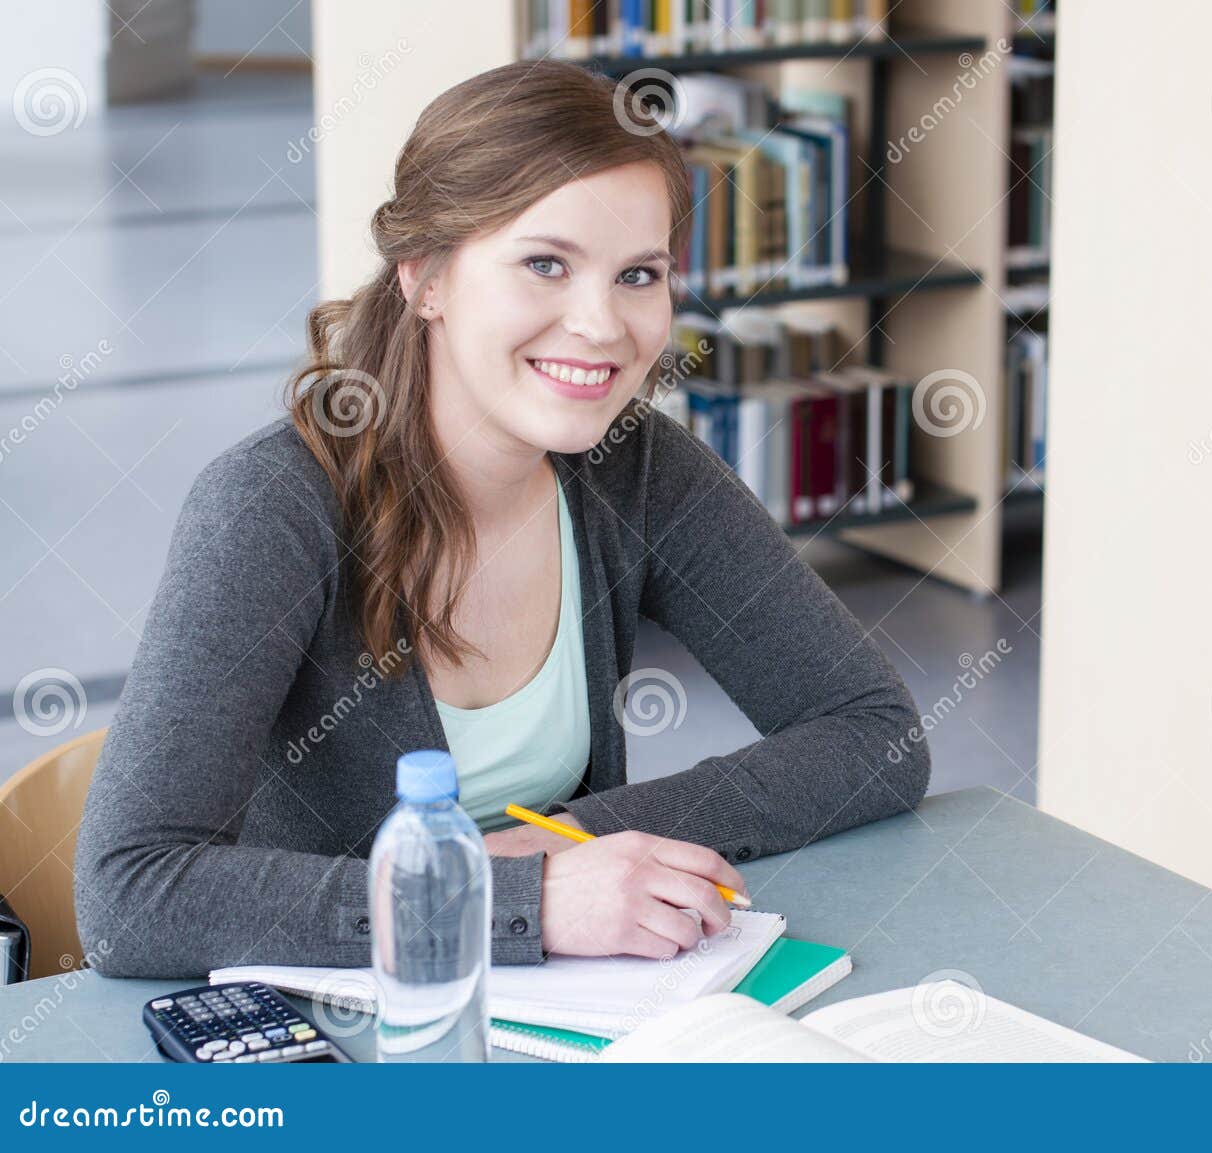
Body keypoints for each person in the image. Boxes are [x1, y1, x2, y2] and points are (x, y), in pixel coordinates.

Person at [74, 59, 930, 978]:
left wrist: (571, 841)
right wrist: (510, 896)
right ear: (425, 278)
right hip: (342, 1028)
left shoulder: (636, 467)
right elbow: (131, 895)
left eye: (638, 274)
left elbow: (875, 732)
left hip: (570, 1009)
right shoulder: (271, 509)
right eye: (544, 264)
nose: (601, 325)